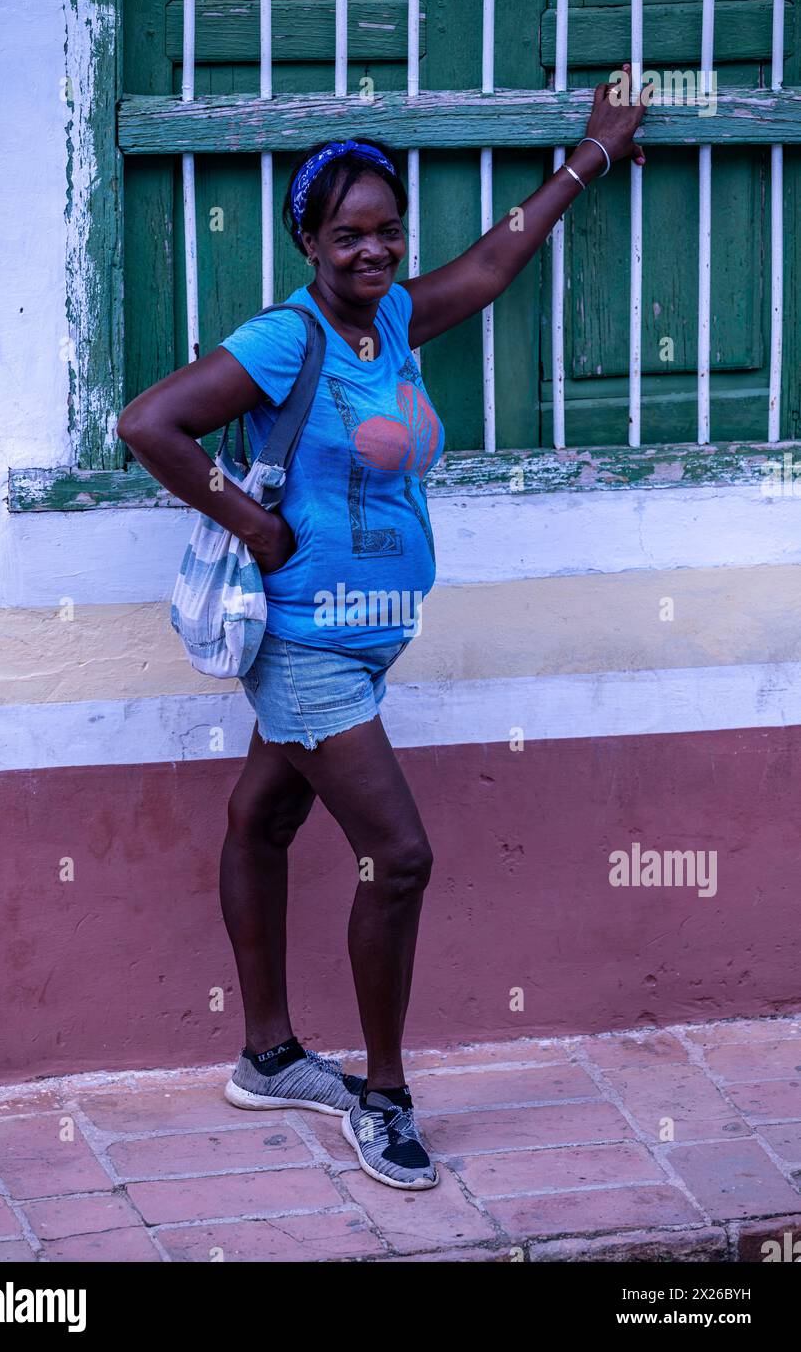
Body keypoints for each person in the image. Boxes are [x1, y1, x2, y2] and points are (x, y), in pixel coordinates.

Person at [117, 66, 647, 1190]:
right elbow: (149, 422)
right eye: (350, 235)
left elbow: (494, 262)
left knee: (261, 818)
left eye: (388, 232)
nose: (374, 252)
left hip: (365, 638)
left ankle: (265, 1055)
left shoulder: (393, 320)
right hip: (309, 644)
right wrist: (252, 523)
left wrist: (589, 154)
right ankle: (384, 1096)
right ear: (309, 241)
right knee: (398, 857)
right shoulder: (283, 337)